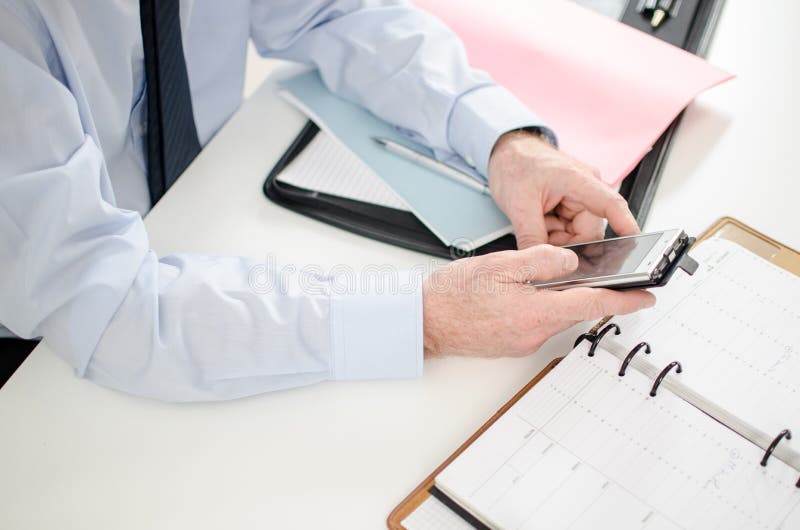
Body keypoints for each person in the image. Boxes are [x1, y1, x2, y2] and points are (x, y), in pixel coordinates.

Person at [0, 0, 654, 400]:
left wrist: (505, 143)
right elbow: (105, 307)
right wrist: (422, 318)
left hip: (197, 224)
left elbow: (334, 12)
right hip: (42, 353)